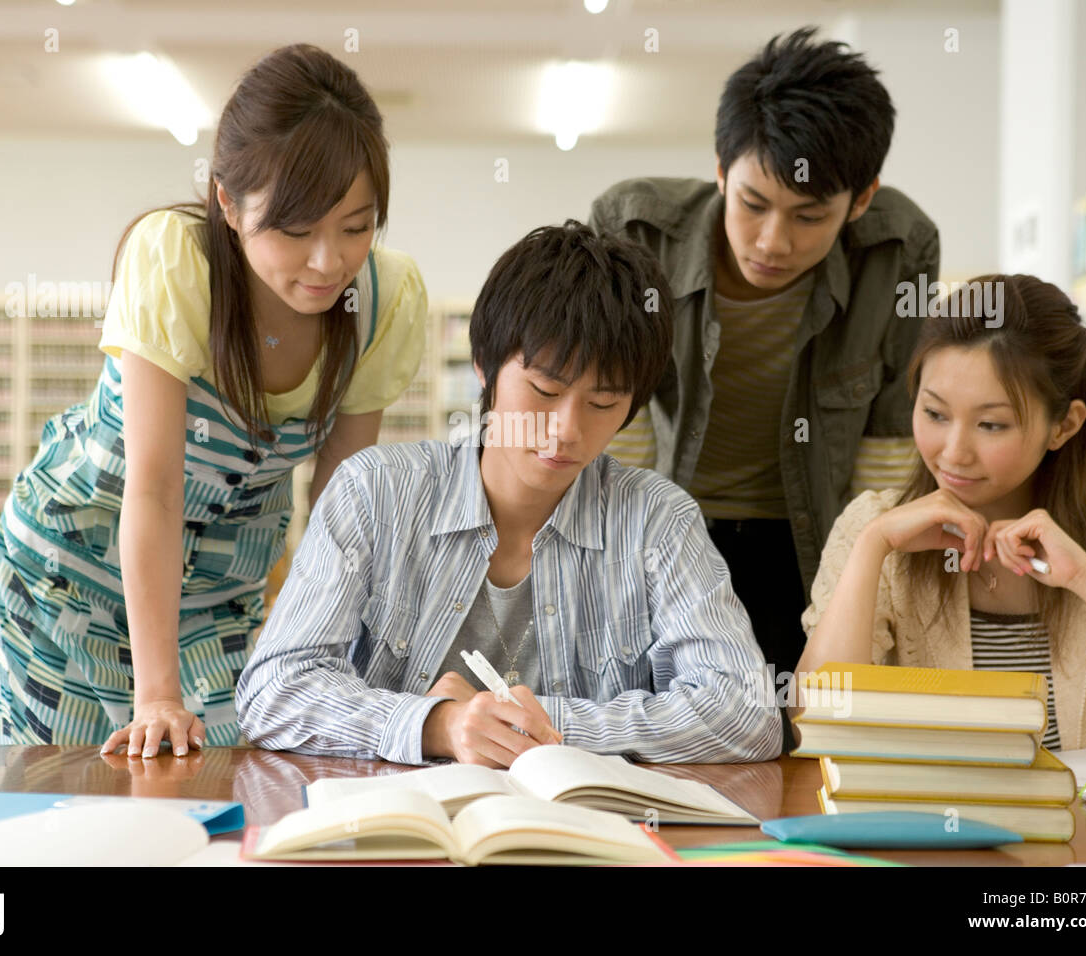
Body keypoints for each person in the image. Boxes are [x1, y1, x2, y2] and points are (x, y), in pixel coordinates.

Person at [0, 44, 428, 755]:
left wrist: (324, 668)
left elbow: (338, 513)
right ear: (227, 200)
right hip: (75, 568)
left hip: (223, 586)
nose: (327, 262)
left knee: (222, 784)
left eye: (355, 227)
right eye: (296, 228)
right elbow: (152, 488)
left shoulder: (383, 299)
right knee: (73, 794)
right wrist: (157, 694)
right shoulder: (176, 262)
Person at [236, 221, 782, 766]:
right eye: (545, 389)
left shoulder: (657, 520)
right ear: (485, 365)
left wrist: (535, 721)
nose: (566, 429)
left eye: (603, 402)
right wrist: (438, 726)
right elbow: (272, 691)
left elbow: (748, 713)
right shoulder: (375, 492)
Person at [588, 27, 939, 711]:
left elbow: (892, 435)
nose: (773, 242)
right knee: (650, 732)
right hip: (666, 536)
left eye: (811, 217)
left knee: (801, 741)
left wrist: (861, 580)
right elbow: (608, 413)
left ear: (860, 200)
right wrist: (611, 568)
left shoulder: (900, 247)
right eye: (752, 204)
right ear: (721, 170)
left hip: (811, 548)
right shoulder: (635, 230)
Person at [796, 275, 1086, 750]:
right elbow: (811, 723)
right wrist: (872, 547)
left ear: (1063, 426)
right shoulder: (874, 525)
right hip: (932, 824)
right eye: (936, 414)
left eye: (991, 424)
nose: (954, 452)